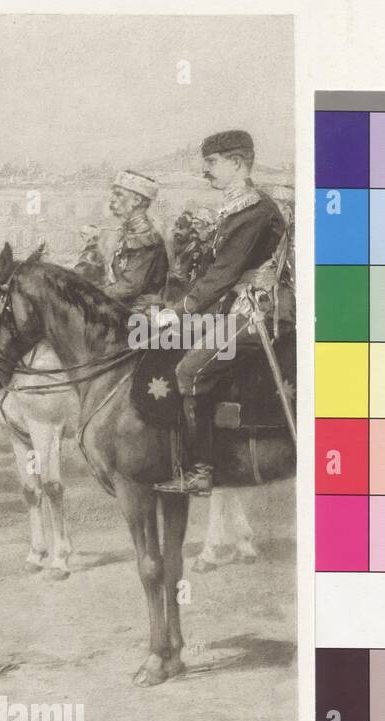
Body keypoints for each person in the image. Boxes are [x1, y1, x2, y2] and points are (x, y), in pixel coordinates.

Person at [153, 130, 292, 497]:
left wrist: (180, 310)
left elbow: (224, 273)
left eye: (212, 163)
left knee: (189, 370)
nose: (206, 171)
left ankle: (201, 472)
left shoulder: (253, 209)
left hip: (261, 310)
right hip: (239, 305)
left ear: (236, 163)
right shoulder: (237, 206)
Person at [102, 170, 169, 305]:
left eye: (119, 194)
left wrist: (92, 293)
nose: (112, 199)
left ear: (137, 201)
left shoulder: (144, 237)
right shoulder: (130, 232)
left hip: (139, 312)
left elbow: (129, 287)